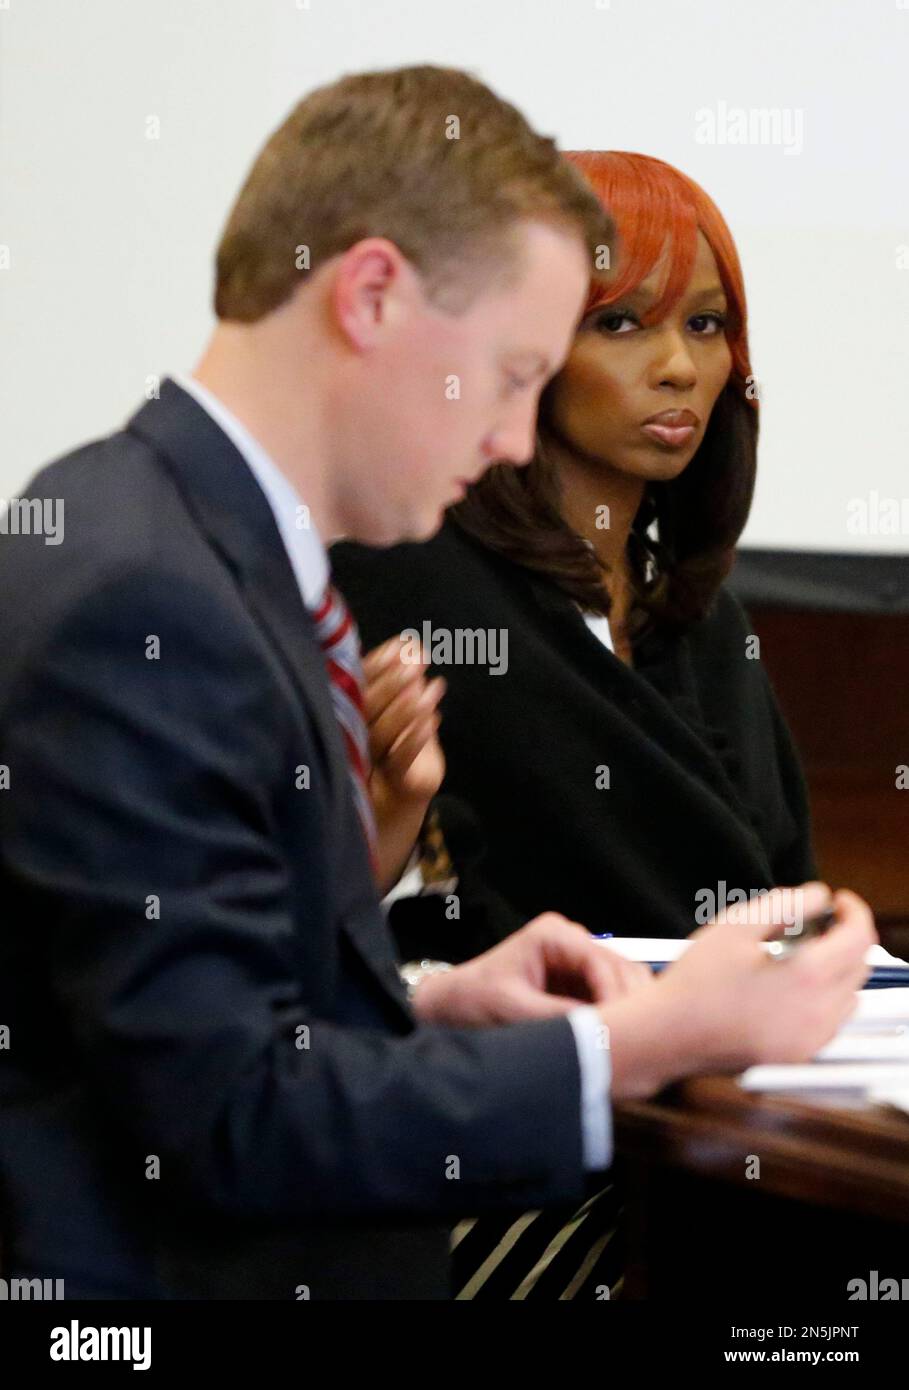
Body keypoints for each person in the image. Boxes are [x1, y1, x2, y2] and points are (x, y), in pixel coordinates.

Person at [0, 72, 874, 1301]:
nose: (517, 442)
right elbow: (224, 1121)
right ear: (370, 299)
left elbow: (209, 1024)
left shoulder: (180, 548)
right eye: (515, 372)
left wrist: (431, 1005)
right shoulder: (144, 598)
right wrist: (645, 1040)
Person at [333, 150, 816, 948]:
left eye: (705, 325)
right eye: (619, 323)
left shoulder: (707, 622)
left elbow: (787, 898)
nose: (676, 369)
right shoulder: (401, 583)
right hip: (506, 1058)